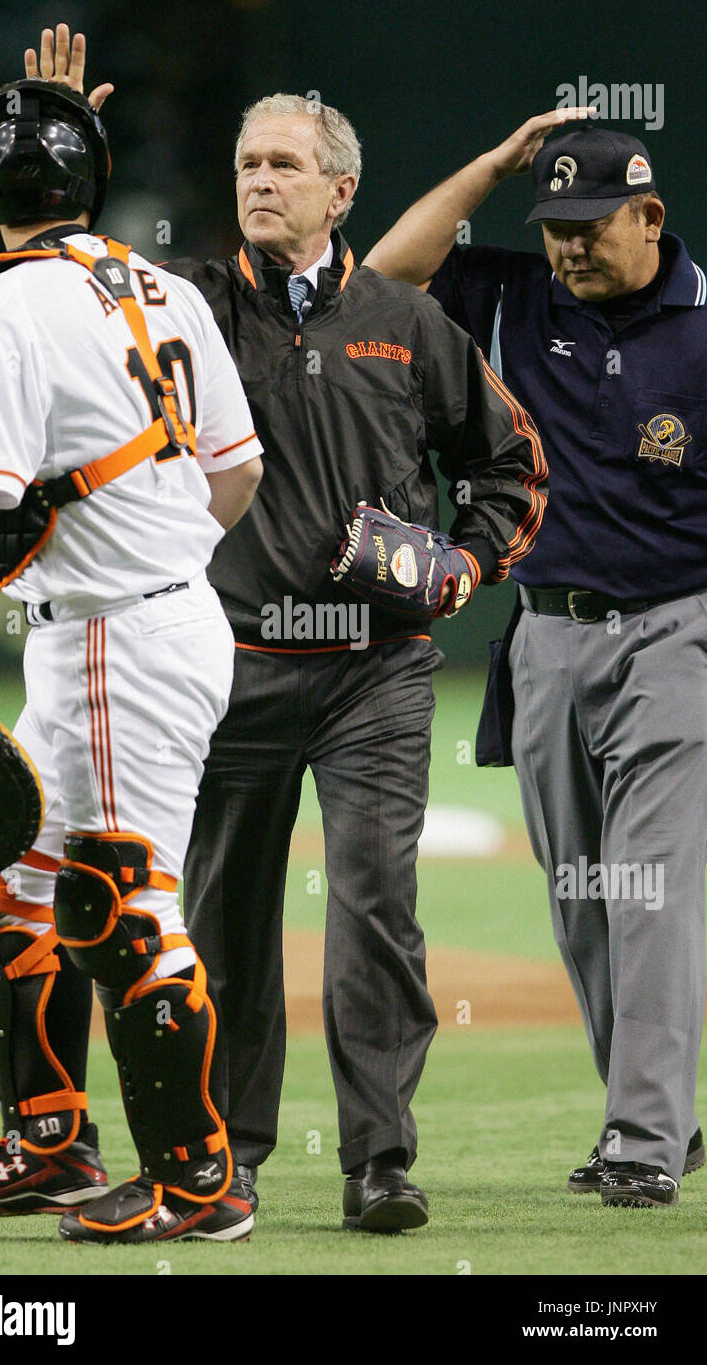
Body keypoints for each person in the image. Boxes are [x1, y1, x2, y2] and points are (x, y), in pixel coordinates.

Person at [37, 28, 548, 1230]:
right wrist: (65, 151)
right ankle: (229, 1156)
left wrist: (468, 561)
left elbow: (511, 467)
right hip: (232, 664)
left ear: (340, 190)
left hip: (377, 673)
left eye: (282, 164)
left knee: (376, 904)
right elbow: (78, 287)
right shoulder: (191, 305)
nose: (259, 182)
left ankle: (380, 1161)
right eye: (245, 165)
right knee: (221, 920)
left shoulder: (405, 322)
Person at [0, 72, 264, 1245]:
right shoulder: (167, 286)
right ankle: (52, 1142)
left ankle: (199, 1184)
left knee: (117, 903)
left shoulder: (4, 306)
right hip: (145, 617)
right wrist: (161, 550)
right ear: (98, 181)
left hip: (121, 637)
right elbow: (237, 474)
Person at [366, 110, 707, 1208]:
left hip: (677, 630)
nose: (566, 245)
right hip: (548, 637)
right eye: (552, 222)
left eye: (589, 224)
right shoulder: (516, 297)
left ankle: (644, 1140)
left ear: (650, 216)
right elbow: (381, 277)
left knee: (650, 889)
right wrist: (488, 165)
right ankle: (653, 1113)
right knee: (581, 894)